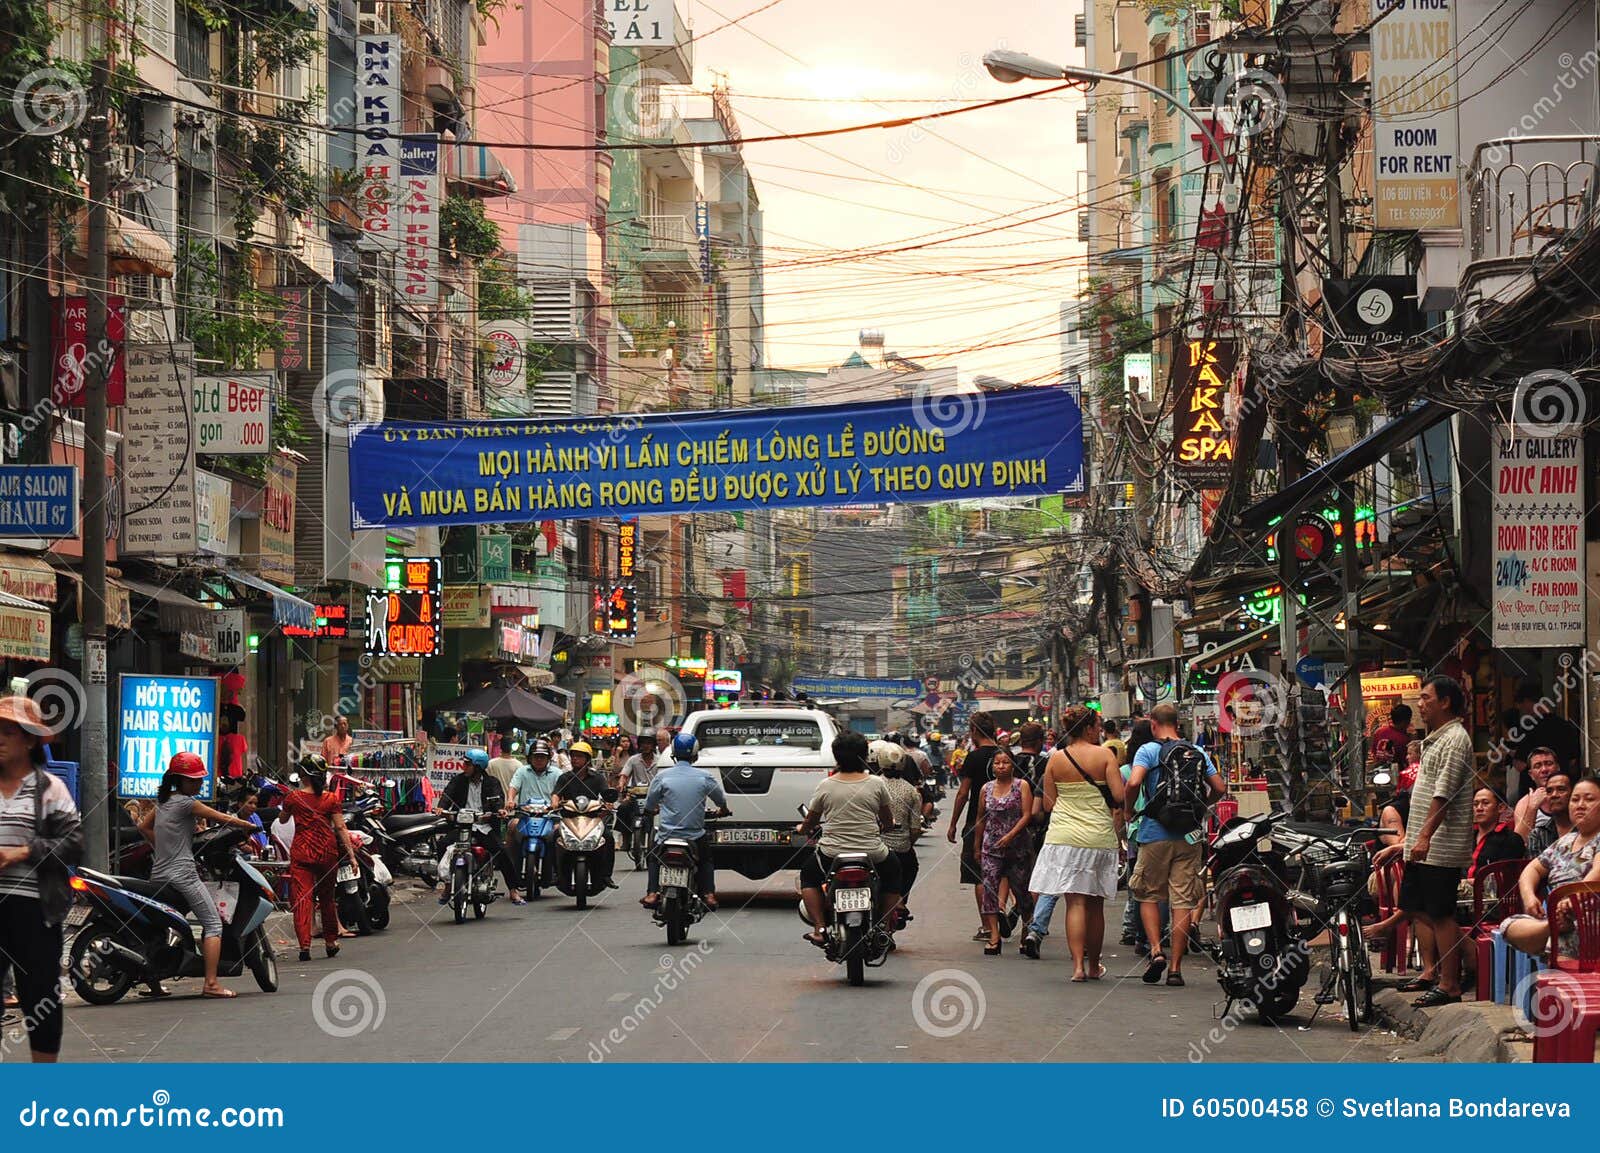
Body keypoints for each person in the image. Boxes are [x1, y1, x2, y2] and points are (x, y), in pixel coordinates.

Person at [1372, 674, 1475, 1007]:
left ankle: (1450, 984)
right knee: (1418, 907)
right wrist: (1408, 843)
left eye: (1426, 698)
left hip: (1441, 846)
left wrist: (1425, 837)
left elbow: (1443, 794)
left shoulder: (1455, 739)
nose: (1420, 704)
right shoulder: (1436, 738)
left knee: (1441, 913)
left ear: (1445, 702)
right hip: (1423, 843)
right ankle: (1446, 965)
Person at [0, 696, 82, 1061]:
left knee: (40, 996)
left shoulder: (49, 788)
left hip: (34, 908)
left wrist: (22, 852)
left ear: (30, 740)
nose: (0, 739)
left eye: (8, 732)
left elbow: (73, 843)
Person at [138, 751, 260, 998]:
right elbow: (221, 818)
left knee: (161, 925)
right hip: (183, 875)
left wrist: (164, 848)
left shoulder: (164, 801)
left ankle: (154, 984)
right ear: (179, 780)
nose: (198, 784)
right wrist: (248, 825)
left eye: (199, 779)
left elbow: (143, 827)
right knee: (213, 924)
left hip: (158, 873)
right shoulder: (187, 803)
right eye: (193, 780)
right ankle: (211, 984)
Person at [1124, 703, 1226, 987]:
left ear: (1153, 724)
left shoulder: (1147, 750)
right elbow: (1219, 788)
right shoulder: (1197, 751)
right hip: (1188, 836)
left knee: (1148, 894)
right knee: (1182, 901)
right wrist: (1201, 808)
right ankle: (1175, 969)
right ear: (1177, 725)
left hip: (1154, 833)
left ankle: (1157, 951)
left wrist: (1129, 809)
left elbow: (1133, 782)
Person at [1022, 706, 1125, 978]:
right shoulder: (1105, 755)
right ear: (1089, 728)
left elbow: (1048, 803)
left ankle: (1078, 966)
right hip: (1098, 836)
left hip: (1063, 836)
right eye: (1097, 726)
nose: (1099, 730)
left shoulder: (1056, 759)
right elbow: (1119, 796)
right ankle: (1093, 966)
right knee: (1095, 904)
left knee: (1075, 902)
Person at [796, 732, 903, 946]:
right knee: (894, 873)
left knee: (808, 876)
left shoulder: (826, 785)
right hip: (872, 853)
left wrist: (802, 828)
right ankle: (883, 925)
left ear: (836, 756)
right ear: (865, 756)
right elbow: (887, 819)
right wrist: (888, 826)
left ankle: (820, 928)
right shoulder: (876, 783)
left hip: (831, 853)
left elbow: (811, 819)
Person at [1503, 775, 1600, 959]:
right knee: (1509, 926)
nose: (1580, 805)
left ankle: (1555, 930)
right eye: (1575, 800)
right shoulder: (1565, 842)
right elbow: (1532, 870)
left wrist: (1572, 901)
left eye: (1589, 799)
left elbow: (1597, 873)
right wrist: (1529, 898)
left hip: (1590, 919)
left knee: (1568, 934)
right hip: (1561, 916)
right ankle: (1553, 926)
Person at [279, 756, 358, 961]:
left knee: (303, 899)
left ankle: (304, 946)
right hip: (327, 853)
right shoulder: (331, 799)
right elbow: (341, 827)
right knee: (327, 899)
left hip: (302, 853)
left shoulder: (293, 797)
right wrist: (351, 856)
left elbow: (282, 820)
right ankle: (330, 942)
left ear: (302, 774)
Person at [640, 734, 729, 910]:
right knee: (706, 860)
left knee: (653, 857)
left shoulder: (662, 777)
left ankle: (652, 893)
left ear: (673, 753)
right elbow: (720, 799)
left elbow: (650, 803)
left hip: (666, 836)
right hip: (694, 836)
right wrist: (723, 810)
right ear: (695, 755)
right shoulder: (704, 777)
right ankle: (709, 894)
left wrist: (652, 810)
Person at [438, 747, 523, 905]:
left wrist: (500, 810)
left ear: (477, 767)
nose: (464, 767)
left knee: (501, 851)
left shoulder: (492, 782)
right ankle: (447, 884)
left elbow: (497, 800)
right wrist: (440, 808)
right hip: (462, 827)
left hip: (484, 827)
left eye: (468, 764)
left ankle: (513, 890)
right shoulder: (458, 781)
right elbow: (447, 796)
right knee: (442, 844)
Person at [973, 750, 1035, 955]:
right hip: (991, 847)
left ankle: (1026, 930)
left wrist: (1011, 835)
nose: (1001, 766)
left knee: (1022, 891)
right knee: (989, 889)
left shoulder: (1021, 786)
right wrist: (977, 846)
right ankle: (994, 935)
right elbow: (980, 818)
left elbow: (1027, 815)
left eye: (1005, 762)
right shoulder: (986, 789)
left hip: (1018, 847)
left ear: (1013, 765)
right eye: (997, 763)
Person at [946, 712, 999, 942]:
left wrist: (953, 824)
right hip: (1005, 822)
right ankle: (1004, 912)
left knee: (979, 876)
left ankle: (987, 926)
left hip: (977, 822)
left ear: (975, 731)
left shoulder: (973, 758)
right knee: (1004, 872)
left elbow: (963, 794)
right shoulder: (1005, 755)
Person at [871, 741, 924, 922]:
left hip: (873, 845)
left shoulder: (871, 785)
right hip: (901, 849)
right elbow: (915, 829)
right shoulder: (912, 792)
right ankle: (900, 898)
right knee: (912, 866)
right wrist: (908, 842)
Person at [551, 741, 616, 887]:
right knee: (553, 836)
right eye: (573, 756)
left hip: (593, 820)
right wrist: (554, 802)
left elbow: (606, 794)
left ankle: (606, 875)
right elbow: (556, 793)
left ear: (587, 759)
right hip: (569, 820)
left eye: (579, 756)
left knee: (608, 837)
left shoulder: (598, 778)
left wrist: (608, 804)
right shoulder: (564, 778)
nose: (575, 759)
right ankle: (555, 873)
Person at [617, 732, 661, 854]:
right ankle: (626, 838)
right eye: (643, 743)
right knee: (623, 808)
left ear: (653, 745)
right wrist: (621, 784)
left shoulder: (660, 761)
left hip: (655, 797)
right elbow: (624, 775)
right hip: (636, 796)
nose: (646, 746)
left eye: (649, 743)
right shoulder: (633, 760)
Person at [1467, 787, 1525, 879]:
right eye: (1475, 804)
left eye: (1485, 803)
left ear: (1501, 808)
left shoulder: (1511, 839)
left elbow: (1505, 877)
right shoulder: (1466, 837)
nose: (1479, 808)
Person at [1513, 747, 1561, 842]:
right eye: (1537, 766)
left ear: (1558, 767)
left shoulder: (1572, 796)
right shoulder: (1524, 803)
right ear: (1531, 774)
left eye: (1549, 764)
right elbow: (1519, 842)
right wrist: (1532, 808)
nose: (1544, 770)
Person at [1525, 768, 1575, 857]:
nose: (1554, 795)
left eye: (1561, 789)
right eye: (1549, 791)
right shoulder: (1538, 835)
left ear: (1574, 793)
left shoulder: (1588, 829)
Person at [1371, 703, 1412, 773]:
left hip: (1377, 772)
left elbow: (1373, 752)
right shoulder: (1403, 739)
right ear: (1405, 721)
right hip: (1396, 774)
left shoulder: (1379, 732)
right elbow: (1406, 761)